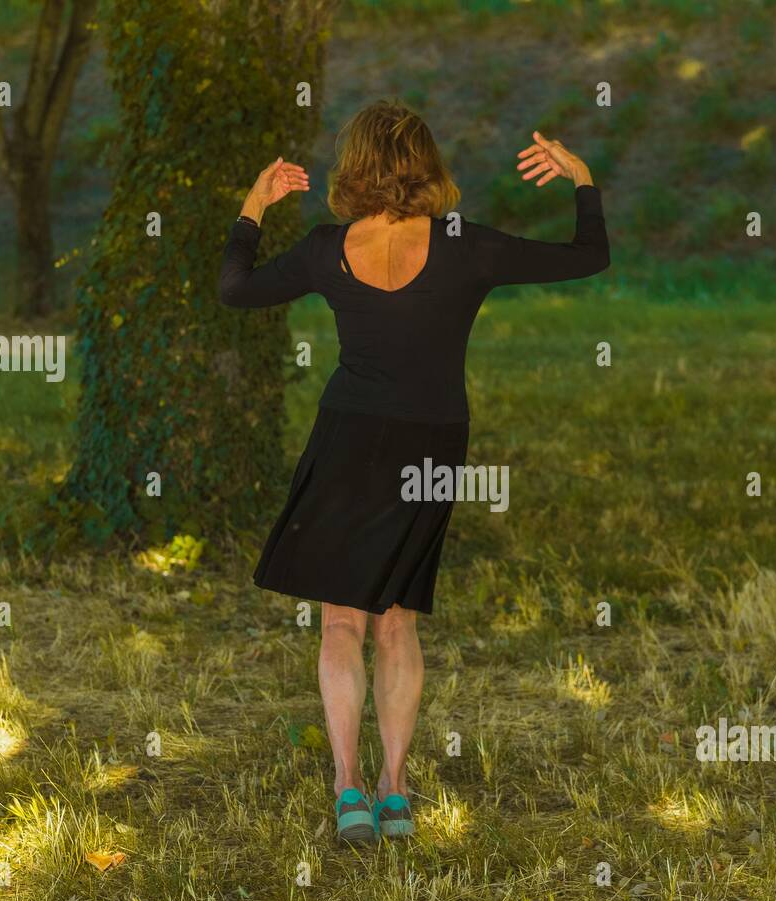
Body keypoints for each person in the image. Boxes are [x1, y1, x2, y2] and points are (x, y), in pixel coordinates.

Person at [219, 99, 609, 844]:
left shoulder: (326, 248)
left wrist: (252, 206)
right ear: (428, 166)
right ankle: (396, 790)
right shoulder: (466, 244)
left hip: (347, 440)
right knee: (396, 622)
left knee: (340, 621)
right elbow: (588, 256)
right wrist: (581, 180)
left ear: (352, 167)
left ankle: (348, 786)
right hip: (432, 446)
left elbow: (234, 288)